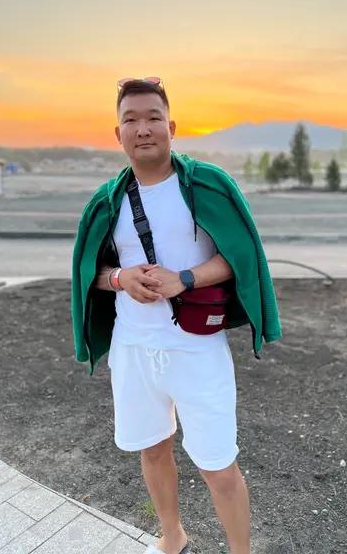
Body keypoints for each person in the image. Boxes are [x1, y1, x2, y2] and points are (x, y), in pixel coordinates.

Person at [71, 77, 282, 554]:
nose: (143, 128)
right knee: (152, 448)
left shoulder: (205, 185)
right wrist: (120, 278)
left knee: (218, 465)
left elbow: (241, 257)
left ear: (172, 127)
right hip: (134, 347)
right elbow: (89, 272)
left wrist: (184, 278)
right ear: (118, 134)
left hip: (196, 348)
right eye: (131, 120)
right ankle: (172, 537)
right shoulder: (107, 201)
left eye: (153, 118)